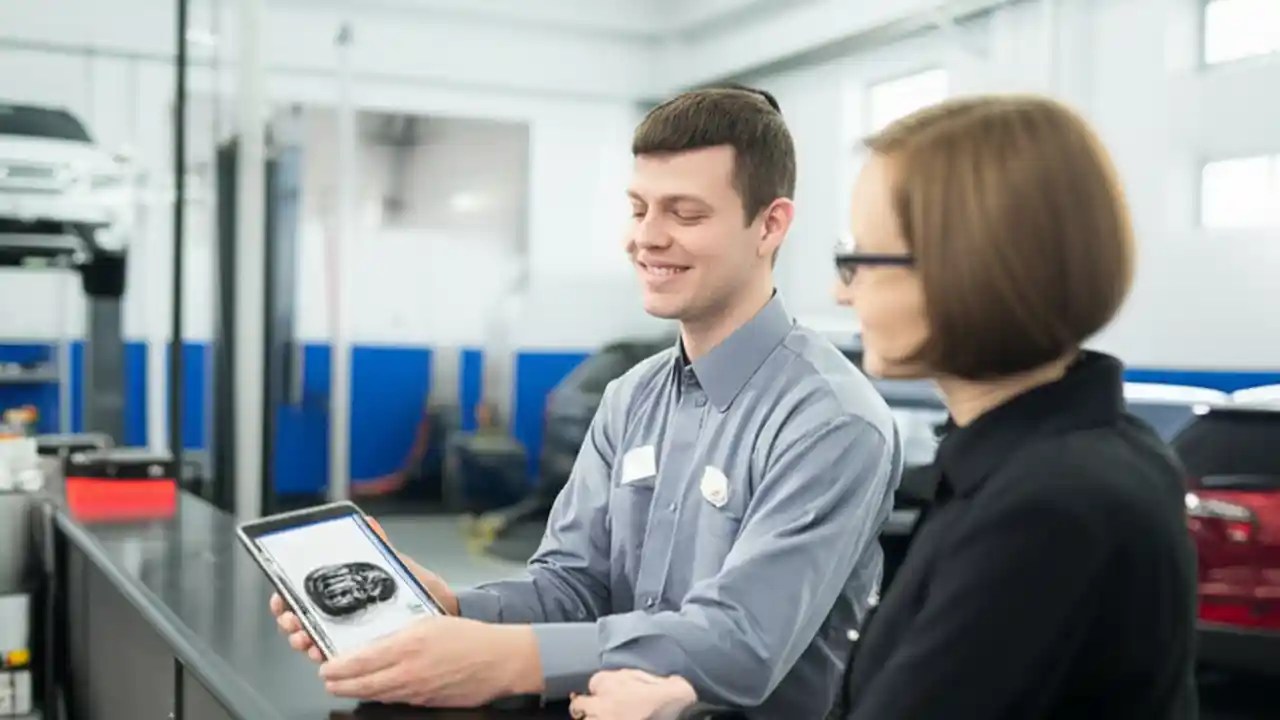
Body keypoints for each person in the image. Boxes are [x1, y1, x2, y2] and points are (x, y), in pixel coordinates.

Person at [271, 87, 902, 716]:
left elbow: (739, 643)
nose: (646, 238)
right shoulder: (630, 398)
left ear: (770, 225)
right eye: (638, 209)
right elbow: (572, 587)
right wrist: (454, 610)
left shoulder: (831, 422)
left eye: (685, 214)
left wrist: (503, 657)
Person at [569, 94, 1199, 719]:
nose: (841, 292)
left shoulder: (1049, 509)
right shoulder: (1066, 463)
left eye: (861, 260)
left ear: (969, 269)